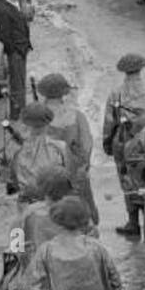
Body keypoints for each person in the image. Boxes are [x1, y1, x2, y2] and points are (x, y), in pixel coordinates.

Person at [35, 72, 99, 223]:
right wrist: (83, 167)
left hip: (46, 176)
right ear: (64, 93)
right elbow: (87, 145)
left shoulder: (36, 119)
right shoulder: (77, 116)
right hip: (74, 173)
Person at [102, 52, 145, 236]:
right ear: (141, 69)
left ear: (124, 71)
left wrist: (107, 142)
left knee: (127, 179)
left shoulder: (116, 94)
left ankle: (133, 222)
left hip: (124, 141)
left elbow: (109, 122)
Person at [9, 102, 71, 201]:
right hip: (54, 200)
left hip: (28, 201)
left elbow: (13, 180)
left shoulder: (17, 152)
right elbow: (69, 176)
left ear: (25, 125)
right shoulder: (60, 147)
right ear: (48, 123)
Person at [0, 0, 33, 120]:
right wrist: (14, 50)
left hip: (21, 49)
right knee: (16, 84)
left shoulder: (13, 5)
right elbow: (4, 35)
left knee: (20, 82)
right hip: (16, 52)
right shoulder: (4, 9)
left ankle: (21, 110)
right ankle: (16, 114)